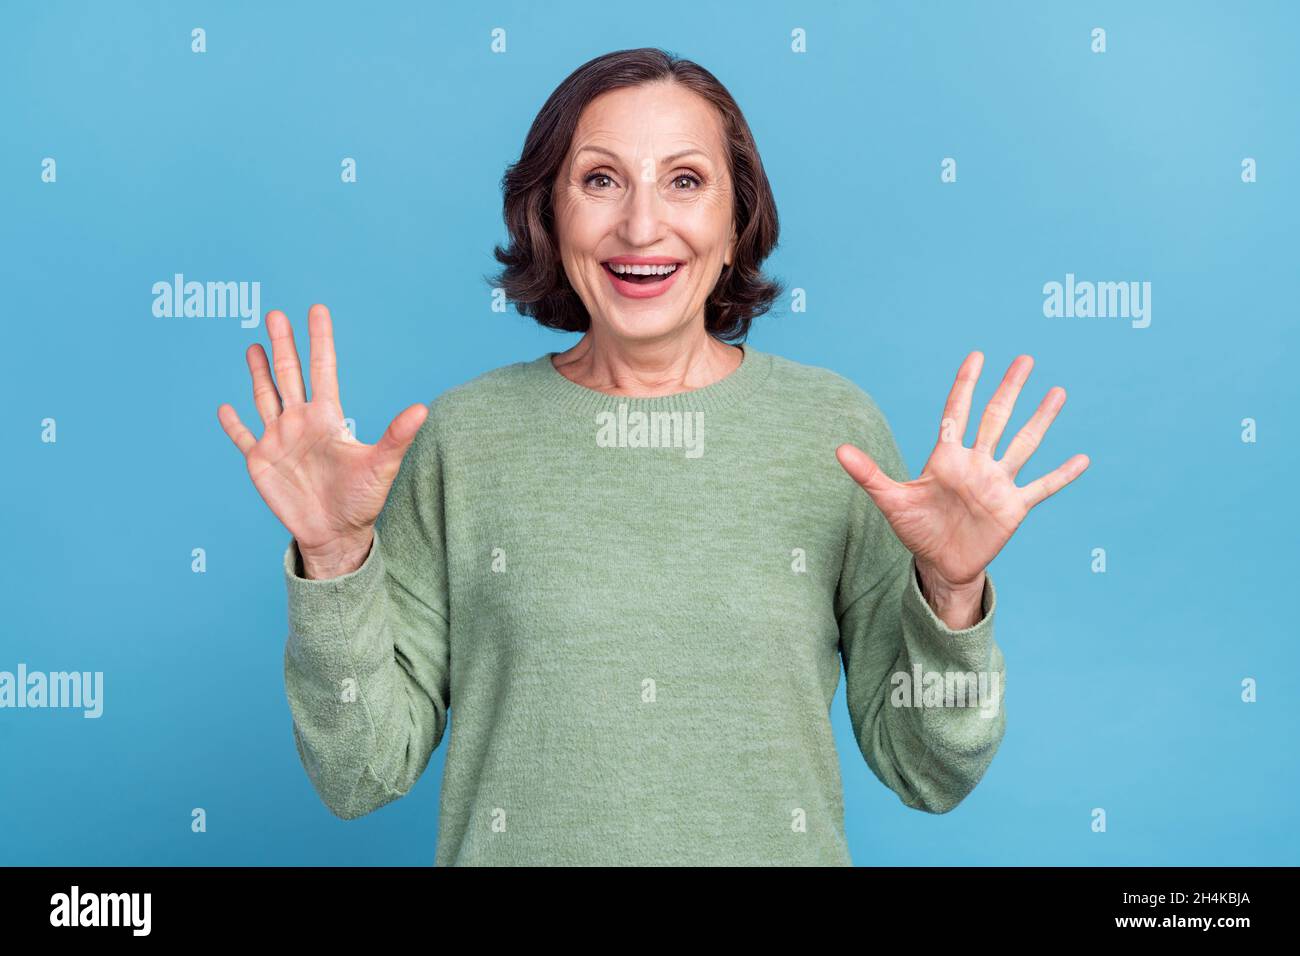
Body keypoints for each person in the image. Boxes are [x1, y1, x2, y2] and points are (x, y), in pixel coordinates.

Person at [217, 48, 1088, 866]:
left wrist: (953, 594)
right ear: (548, 213)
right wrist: (333, 562)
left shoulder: (834, 431)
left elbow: (927, 771)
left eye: (684, 180)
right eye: (601, 180)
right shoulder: (461, 438)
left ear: (737, 215)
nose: (642, 224)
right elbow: (360, 774)